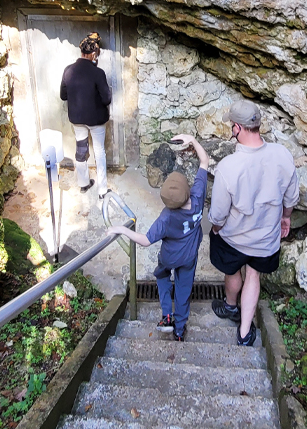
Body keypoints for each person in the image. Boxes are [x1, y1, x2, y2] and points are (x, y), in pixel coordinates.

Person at [208, 100, 299, 346]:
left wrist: (216, 230)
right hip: (265, 239)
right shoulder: (282, 155)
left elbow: (218, 215)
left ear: (237, 128)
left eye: (232, 125)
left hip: (234, 238)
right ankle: (244, 333)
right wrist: (286, 217)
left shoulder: (228, 167)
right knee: (253, 275)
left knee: (232, 270)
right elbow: (291, 198)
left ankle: (230, 306)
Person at [107, 135, 209, 341]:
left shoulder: (167, 217)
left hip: (169, 257)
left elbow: (145, 240)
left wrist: (123, 230)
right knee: (183, 290)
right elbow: (204, 161)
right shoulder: (197, 196)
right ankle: (179, 329)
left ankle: (167, 315)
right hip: (189, 258)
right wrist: (192, 140)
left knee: (161, 275)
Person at [60, 32, 111, 197]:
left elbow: (63, 96)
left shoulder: (68, 70)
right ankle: (102, 190)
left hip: (77, 119)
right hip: (96, 119)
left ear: (81, 51)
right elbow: (107, 99)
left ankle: (83, 183)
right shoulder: (98, 73)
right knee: (99, 151)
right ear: (94, 53)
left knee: (81, 148)